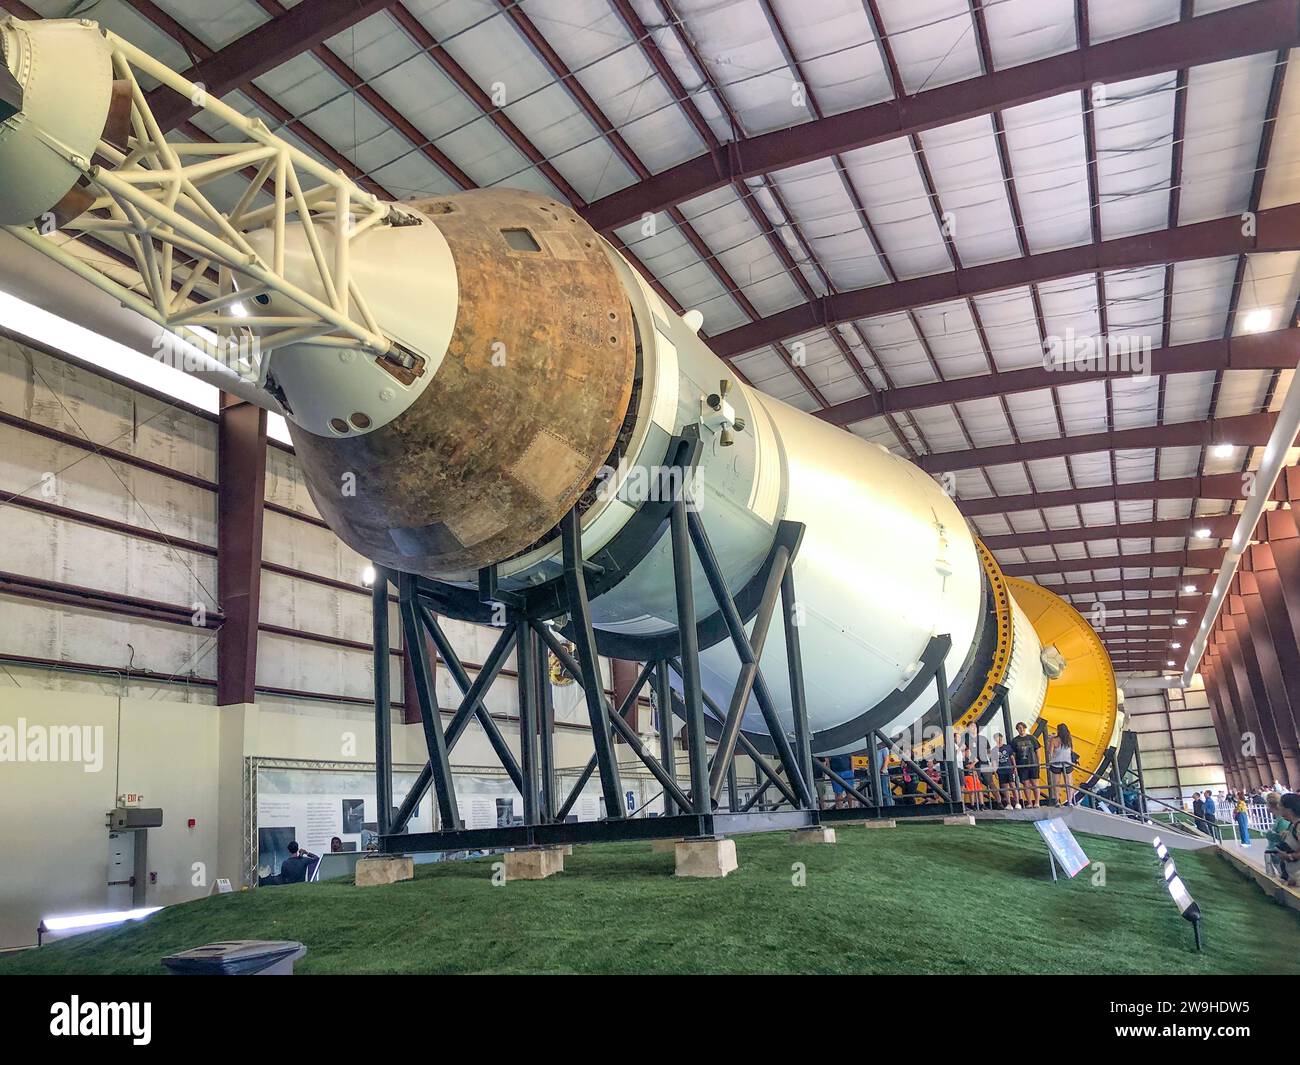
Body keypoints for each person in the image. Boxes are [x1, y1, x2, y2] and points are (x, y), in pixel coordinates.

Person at [1010, 722, 1041, 808]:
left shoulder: (1032, 738)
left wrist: (1039, 762)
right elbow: (1014, 754)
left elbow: (1037, 750)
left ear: (1025, 728)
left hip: (1033, 763)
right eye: (1019, 728)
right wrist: (1015, 766)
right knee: (1026, 784)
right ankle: (1029, 802)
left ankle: (1037, 802)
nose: (1021, 729)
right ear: (1017, 729)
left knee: (1035, 783)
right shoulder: (1015, 740)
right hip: (1022, 765)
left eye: (1023, 727)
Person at [1046, 723, 1075, 806]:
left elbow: (1050, 752)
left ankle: (1057, 801)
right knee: (1069, 782)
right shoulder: (1069, 739)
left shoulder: (1054, 740)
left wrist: (1049, 740)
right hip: (1067, 762)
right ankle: (1070, 800)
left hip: (1056, 763)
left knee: (1056, 783)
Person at [993, 732, 1017, 808]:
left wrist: (1014, 767)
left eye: (1000, 738)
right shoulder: (994, 750)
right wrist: (995, 771)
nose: (999, 740)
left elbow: (1012, 757)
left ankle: (1017, 802)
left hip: (1009, 769)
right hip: (1001, 771)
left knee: (1013, 786)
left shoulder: (1007, 747)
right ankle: (1009, 803)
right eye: (997, 738)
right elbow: (994, 761)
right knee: (1005, 788)